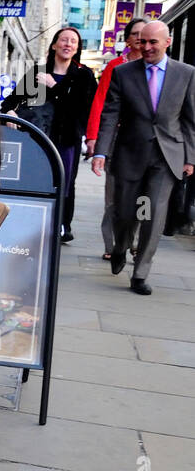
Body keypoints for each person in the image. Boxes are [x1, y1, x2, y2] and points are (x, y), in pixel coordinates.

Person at [91, 21, 195, 295]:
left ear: (167, 42)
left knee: (152, 214)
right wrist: (100, 151)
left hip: (166, 157)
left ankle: (140, 272)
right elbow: (110, 114)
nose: (146, 47)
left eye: (153, 42)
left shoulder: (185, 74)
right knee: (125, 213)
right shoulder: (124, 73)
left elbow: (190, 119)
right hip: (129, 153)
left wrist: (190, 157)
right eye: (142, 42)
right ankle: (121, 247)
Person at [0, 27, 97, 243]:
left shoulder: (83, 76)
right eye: (64, 40)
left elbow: (81, 110)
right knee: (35, 179)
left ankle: (62, 224)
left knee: (63, 181)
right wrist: (10, 112)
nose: (68, 44)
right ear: (54, 44)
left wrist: (54, 87)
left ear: (77, 48)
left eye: (73, 41)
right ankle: (31, 220)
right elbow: (10, 100)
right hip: (36, 140)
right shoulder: (37, 71)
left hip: (66, 139)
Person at [86, 17, 148, 259]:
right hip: (116, 141)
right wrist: (93, 137)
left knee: (144, 198)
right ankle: (112, 246)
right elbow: (101, 101)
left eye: (145, 35)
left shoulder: (158, 69)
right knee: (114, 197)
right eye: (136, 34)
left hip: (144, 144)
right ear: (129, 39)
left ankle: (135, 242)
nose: (141, 40)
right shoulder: (116, 67)